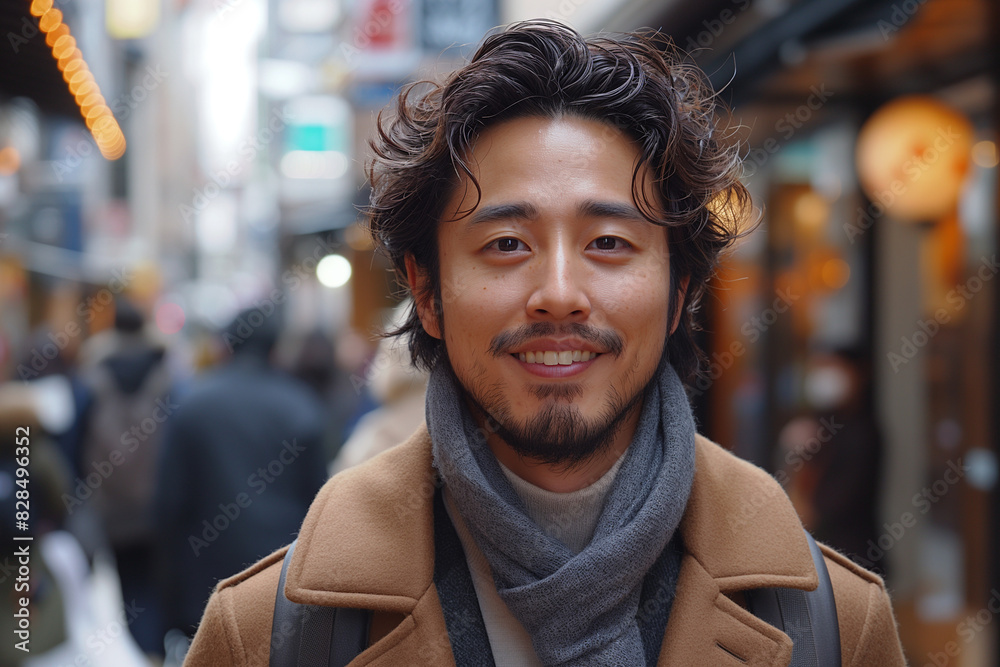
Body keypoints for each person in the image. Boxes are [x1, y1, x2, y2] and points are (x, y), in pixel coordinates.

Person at [185, 21, 906, 665]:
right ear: (428, 293)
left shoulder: (833, 623)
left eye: (609, 242)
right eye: (505, 242)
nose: (559, 291)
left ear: (679, 288)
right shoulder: (273, 631)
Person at [155, 307, 328, 640]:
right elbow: (319, 505)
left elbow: (168, 506)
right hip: (281, 590)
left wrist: (170, 601)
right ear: (276, 348)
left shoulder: (192, 404)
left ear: (228, 345)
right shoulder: (302, 406)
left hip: (206, 589)